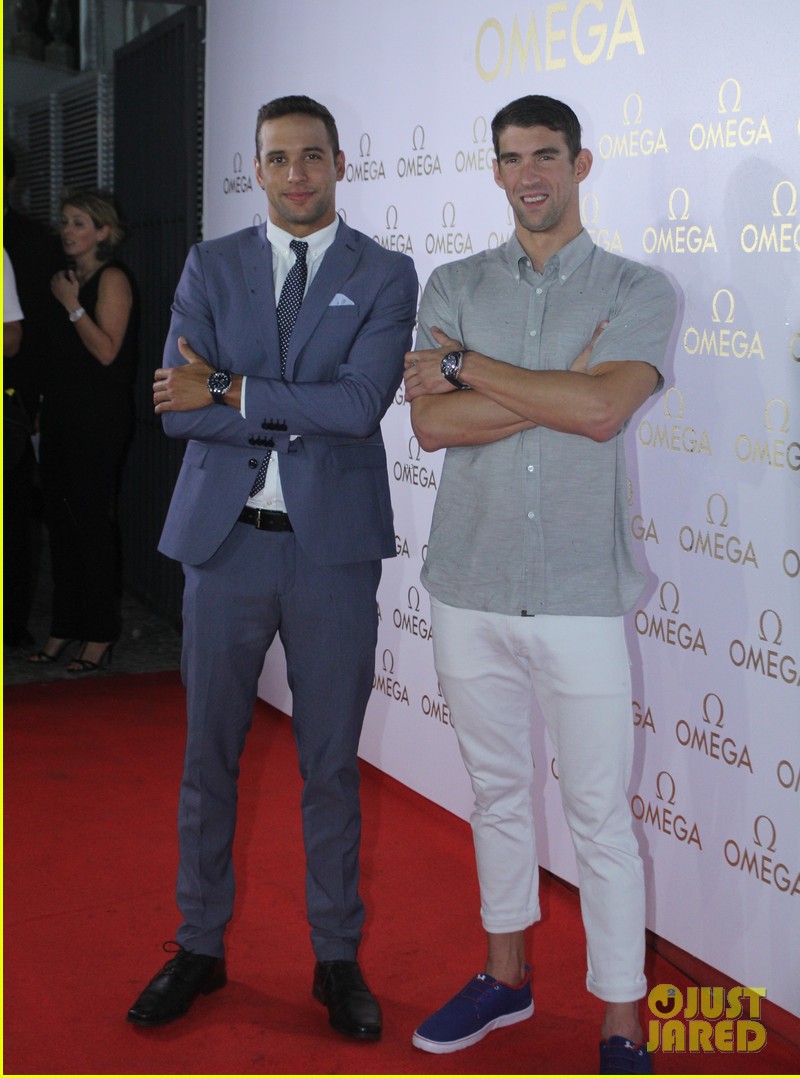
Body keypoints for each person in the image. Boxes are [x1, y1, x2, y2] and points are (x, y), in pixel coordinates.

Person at [127, 95, 418, 1039]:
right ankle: (200, 947)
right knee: (208, 762)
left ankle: (335, 959)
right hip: (224, 546)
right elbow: (177, 408)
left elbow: (361, 404)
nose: (296, 174)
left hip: (332, 557)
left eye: (312, 157)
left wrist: (234, 387)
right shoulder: (210, 265)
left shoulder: (385, 273)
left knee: (330, 767)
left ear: (340, 163)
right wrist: (258, 396)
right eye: (277, 158)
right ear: (255, 169)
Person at [403, 95, 676, 1075]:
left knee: (601, 812)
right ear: (493, 170)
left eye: (547, 155)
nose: (530, 173)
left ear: (581, 162)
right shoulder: (453, 281)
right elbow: (434, 427)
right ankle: (505, 975)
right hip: (468, 581)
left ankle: (619, 1021)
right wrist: (557, 382)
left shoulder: (637, 287)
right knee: (497, 791)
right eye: (512, 157)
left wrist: (475, 371)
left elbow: (605, 411)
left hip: (579, 593)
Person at [28, 188, 135, 672]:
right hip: (60, 416)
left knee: (90, 524)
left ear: (103, 232)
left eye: (78, 223)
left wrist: (73, 305)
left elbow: (108, 351)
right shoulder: (65, 279)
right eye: (64, 222)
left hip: (98, 419)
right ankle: (65, 625)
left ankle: (100, 633)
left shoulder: (112, 279)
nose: (67, 231)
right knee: (61, 524)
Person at [3, 144, 64, 648]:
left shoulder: (33, 242)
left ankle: (12, 621)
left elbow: (35, 331)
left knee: (15, 518)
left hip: (16, 398)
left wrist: (38, 398)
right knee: (15, 518)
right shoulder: (36, 239)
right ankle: (13, 623)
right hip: (24, 394)